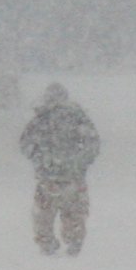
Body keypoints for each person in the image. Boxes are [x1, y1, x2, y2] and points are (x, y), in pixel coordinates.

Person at [17, 82, 100, 256]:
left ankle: (47, 243)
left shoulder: (41, 118)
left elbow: (26, 144)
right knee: (75, 212)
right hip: (74, 177)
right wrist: (79, 164)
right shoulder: (79, 118)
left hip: (48, 177)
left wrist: (41, 162)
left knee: (44, 214)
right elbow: (92, 144)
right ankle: (74, 241)